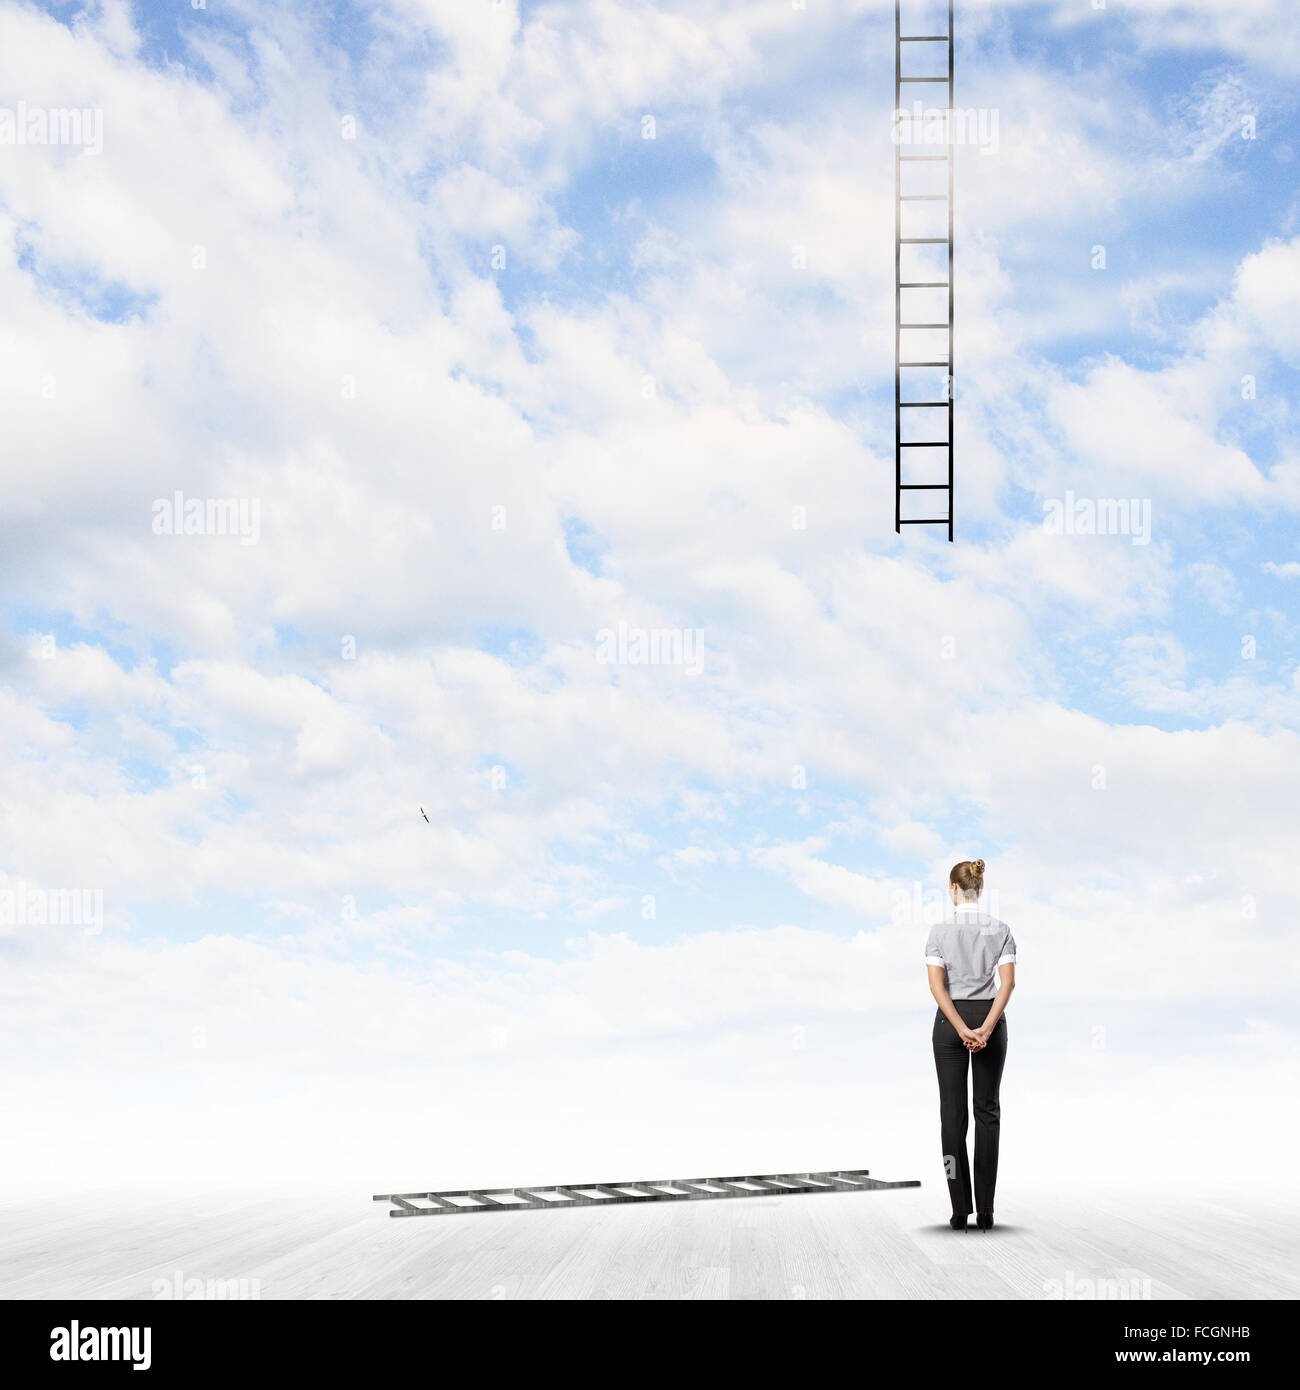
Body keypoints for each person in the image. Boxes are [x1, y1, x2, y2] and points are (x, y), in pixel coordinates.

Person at [924, 859, 1016, 1231]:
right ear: (980, 888)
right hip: (990, 1018)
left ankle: (959, 1208)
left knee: (952, 1115)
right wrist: (986, 1028)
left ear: (953, 888)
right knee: (987, 1114)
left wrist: (962, 1028)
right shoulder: (1001, 929)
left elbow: (936, 987)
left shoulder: (938, 932)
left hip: (950, 1023)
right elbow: (1007, 984)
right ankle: (987, 1210)